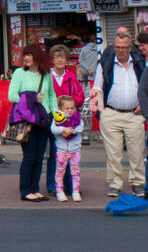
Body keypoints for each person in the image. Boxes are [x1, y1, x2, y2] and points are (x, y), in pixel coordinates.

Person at [90, 26, 145, 197]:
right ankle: (115, 183)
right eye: (117, 47)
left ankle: (138, 183)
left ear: (130, 48)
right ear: (114, 46)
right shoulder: (105, 63)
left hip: (134, 114)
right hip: (111, 113)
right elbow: (97, 87)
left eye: (123, 47)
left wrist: (143, 105)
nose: (120, 50)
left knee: (137, 152)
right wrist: (102, 111)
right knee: (113, 153)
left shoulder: (139, 63)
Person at [9, 43, 56, 201]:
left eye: (30, 54)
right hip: (26, 120)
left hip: (43, 119)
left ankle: (35, 188)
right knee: (29, 156)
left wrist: (55, 114)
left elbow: (51, 96)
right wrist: (31, 97)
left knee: (39, 156)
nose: (26, 58)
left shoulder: (46, 74)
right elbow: (12, 95)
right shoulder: (19, 73)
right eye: (25, 55)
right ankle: (26, 190)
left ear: (37, 56)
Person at [45, 43, 83, 196]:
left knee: (71, 153)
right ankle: (53, 186)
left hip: (71, 121)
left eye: (63, 57)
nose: (60, 60)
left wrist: (68, 101)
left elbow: (80, 97)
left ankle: (69, 185)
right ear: (52, 60)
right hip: (53, 119)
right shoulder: (47, 76)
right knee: (55, 153)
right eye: (57, 57)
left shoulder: (72, 77)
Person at [50, 94, 83, 202]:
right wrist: (63, 129)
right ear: (61, 109)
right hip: (61, 150)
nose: (70, 110)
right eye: (67, 108)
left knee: (75, 172)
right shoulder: (57, 118)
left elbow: (80, 127)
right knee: (60, 171)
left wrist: (71, 131)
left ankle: (75, 191)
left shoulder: (77, 117)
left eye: (72, 108)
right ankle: (59, 191)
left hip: (75, 150)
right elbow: (53, 129)